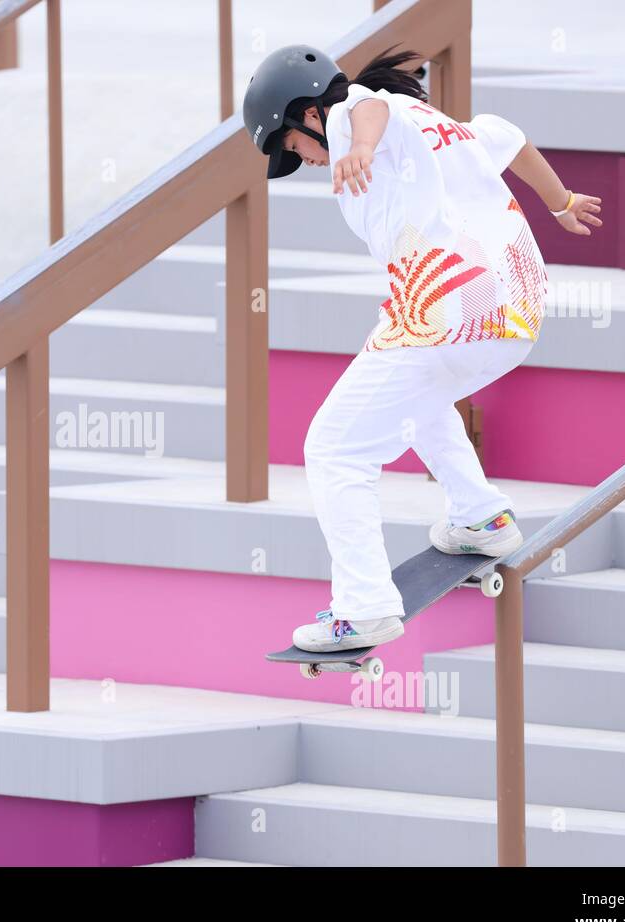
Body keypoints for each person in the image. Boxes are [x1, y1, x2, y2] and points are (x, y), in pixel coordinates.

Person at [242, 46, 602, 653]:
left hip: (449, 312)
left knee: (333, 449)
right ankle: (480, 515)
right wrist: (560, 202)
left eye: (292, 147)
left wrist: (358, 145)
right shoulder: (438, 126)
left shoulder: (353, 114)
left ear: (307, 113)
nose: (303, 160)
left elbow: (368, 107)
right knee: (416, 393)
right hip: (515, 311)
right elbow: (509, 137)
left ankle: (363, 608)